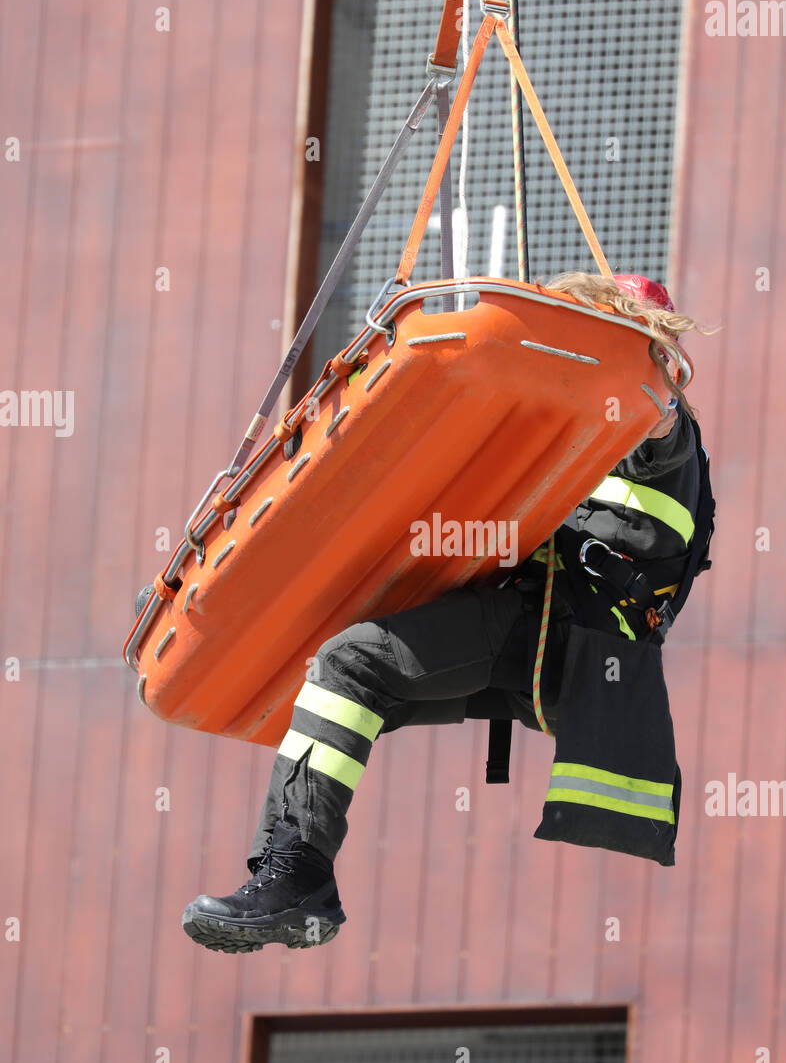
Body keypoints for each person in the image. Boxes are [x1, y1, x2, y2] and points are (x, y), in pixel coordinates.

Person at [181, 271, 716, 954]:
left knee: (354, 662)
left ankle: (294, 879)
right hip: (555, 643)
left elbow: (649, 410)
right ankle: (292, 879)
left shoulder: (654, 423)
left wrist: (615, 356)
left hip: (563, 636)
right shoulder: (585, 421)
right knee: (351, 677)